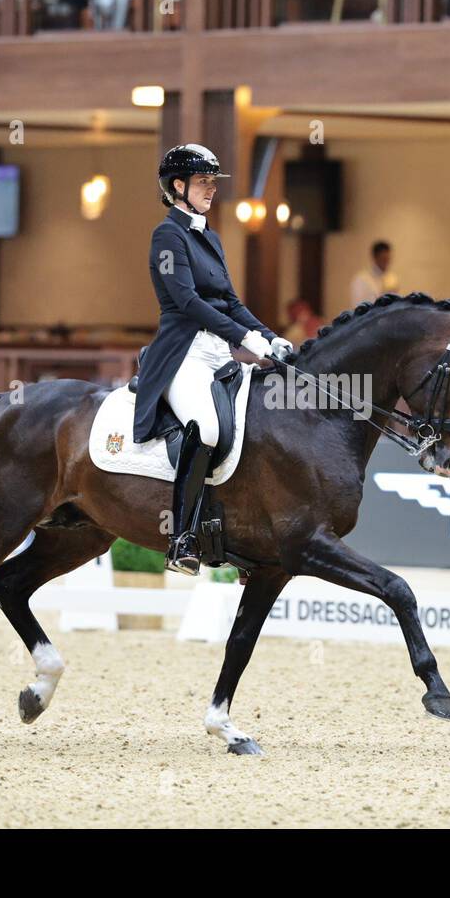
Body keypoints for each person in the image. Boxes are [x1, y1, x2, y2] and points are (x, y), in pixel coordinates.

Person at [137, 143, 293, 576]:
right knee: (205, 427)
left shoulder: (211, 238)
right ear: (178, 186)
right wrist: (246, 338)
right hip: (181, 354)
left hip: (217, 353)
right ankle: (182, 538)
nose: (210, 190)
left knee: (254, 424)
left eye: (212, 183)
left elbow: (229, 302)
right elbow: (187, 302)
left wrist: (269, 337)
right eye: (203, 182)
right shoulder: (167, 236)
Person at [349, 239, 397, 309]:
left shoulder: (392, 279)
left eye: (388, 259)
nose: (386, 263)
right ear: (375, 257)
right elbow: (357, 307)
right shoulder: (361, 280)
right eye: (383, 259)